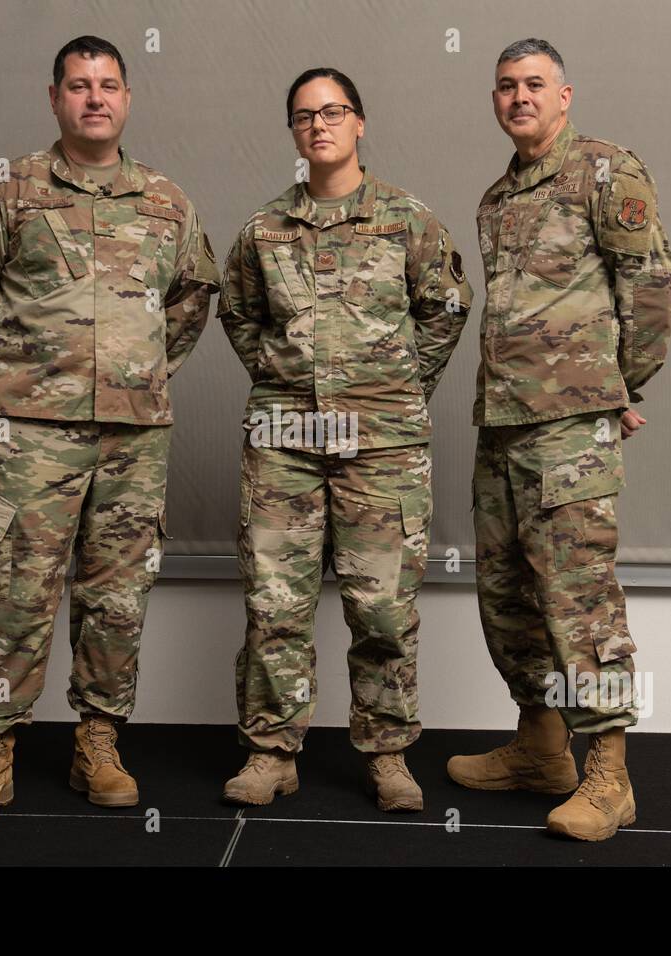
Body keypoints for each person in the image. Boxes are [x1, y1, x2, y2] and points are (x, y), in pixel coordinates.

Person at [0, 35, 220, 824]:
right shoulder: (8, 192)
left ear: (127, 99)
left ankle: (99, 740)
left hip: (135, 435)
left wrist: (138, 375)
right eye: (79, 85)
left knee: (118, 595)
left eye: (109, 85)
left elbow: (192, 300)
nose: (95, 98)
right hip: (33, 433)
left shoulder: (166, 202)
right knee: (14, 589)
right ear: (54, 98)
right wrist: (14, 377)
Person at [217, 68, 473, 811]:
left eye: (333, 112)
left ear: (360, 123)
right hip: (285, 438)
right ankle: (271, 751)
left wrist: (392, 390)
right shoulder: (264, 230)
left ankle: (388, 754)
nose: (319, 125)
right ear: (293, 132)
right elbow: (237, 314)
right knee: (275, 603)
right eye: (304, 116)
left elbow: (446, 309)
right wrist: (282, 377)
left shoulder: (407, 220)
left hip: (383, 444)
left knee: (384, 608)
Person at [449, 39, 671, 841]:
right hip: (502, 425)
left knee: (581, 603)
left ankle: (609, 777)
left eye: (535, 85)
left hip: (570, 432)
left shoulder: (606, 173)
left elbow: (649, 284)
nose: (520, 97)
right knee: (508, 598)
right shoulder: (496, 199)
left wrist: (619, 388)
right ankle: (540, 747)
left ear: (565, 95)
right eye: (507, 86)